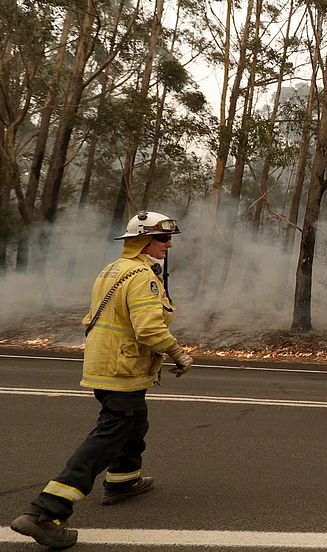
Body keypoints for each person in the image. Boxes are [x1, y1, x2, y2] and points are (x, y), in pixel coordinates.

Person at [11, 211, 194, 549]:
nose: (169, 244)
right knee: (109, 435)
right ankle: (44, 513)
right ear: (142, 241)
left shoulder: (113, 269)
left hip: (105, 364)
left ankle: (123, 480)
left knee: (134, 420)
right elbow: (149, 329)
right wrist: (178, 353)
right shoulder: (143, 277)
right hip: (122, 369)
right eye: (163, 238)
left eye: (169, 239)